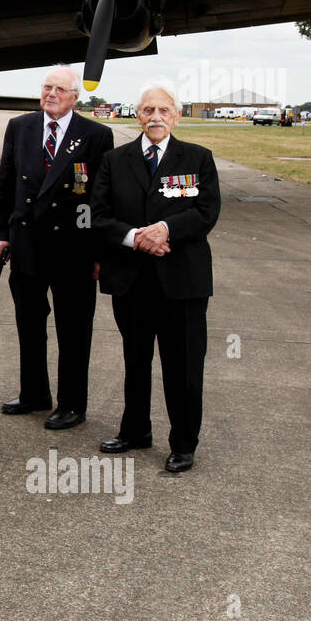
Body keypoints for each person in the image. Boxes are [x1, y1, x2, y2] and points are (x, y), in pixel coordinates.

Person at [90, 79, 220, 472]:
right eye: (148, 110)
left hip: (182, 282)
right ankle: (135, 431)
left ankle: (183, 443)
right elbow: (98, 216)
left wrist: (166, 230)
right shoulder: (116, 160)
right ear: (138, 115)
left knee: (182, 366)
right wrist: (135, 238)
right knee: (135, 359)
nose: (156, 117)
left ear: (176, 116)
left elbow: (206, 211)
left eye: (164, 110)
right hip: (132, 280)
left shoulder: (198, 158)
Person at [0, 65, 113, 430]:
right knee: (29, 324)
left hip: (72, 250)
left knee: (73, 330)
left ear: (75, 97)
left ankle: (72, 403)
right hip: (27, 244)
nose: (52, 94)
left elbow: (100, 199)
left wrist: (99, 254)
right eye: (47, 87)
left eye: (60, 89)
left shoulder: (95, 135)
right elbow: (7, 186)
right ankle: (34, 393)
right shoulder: (21, 127)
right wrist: (1, 233)